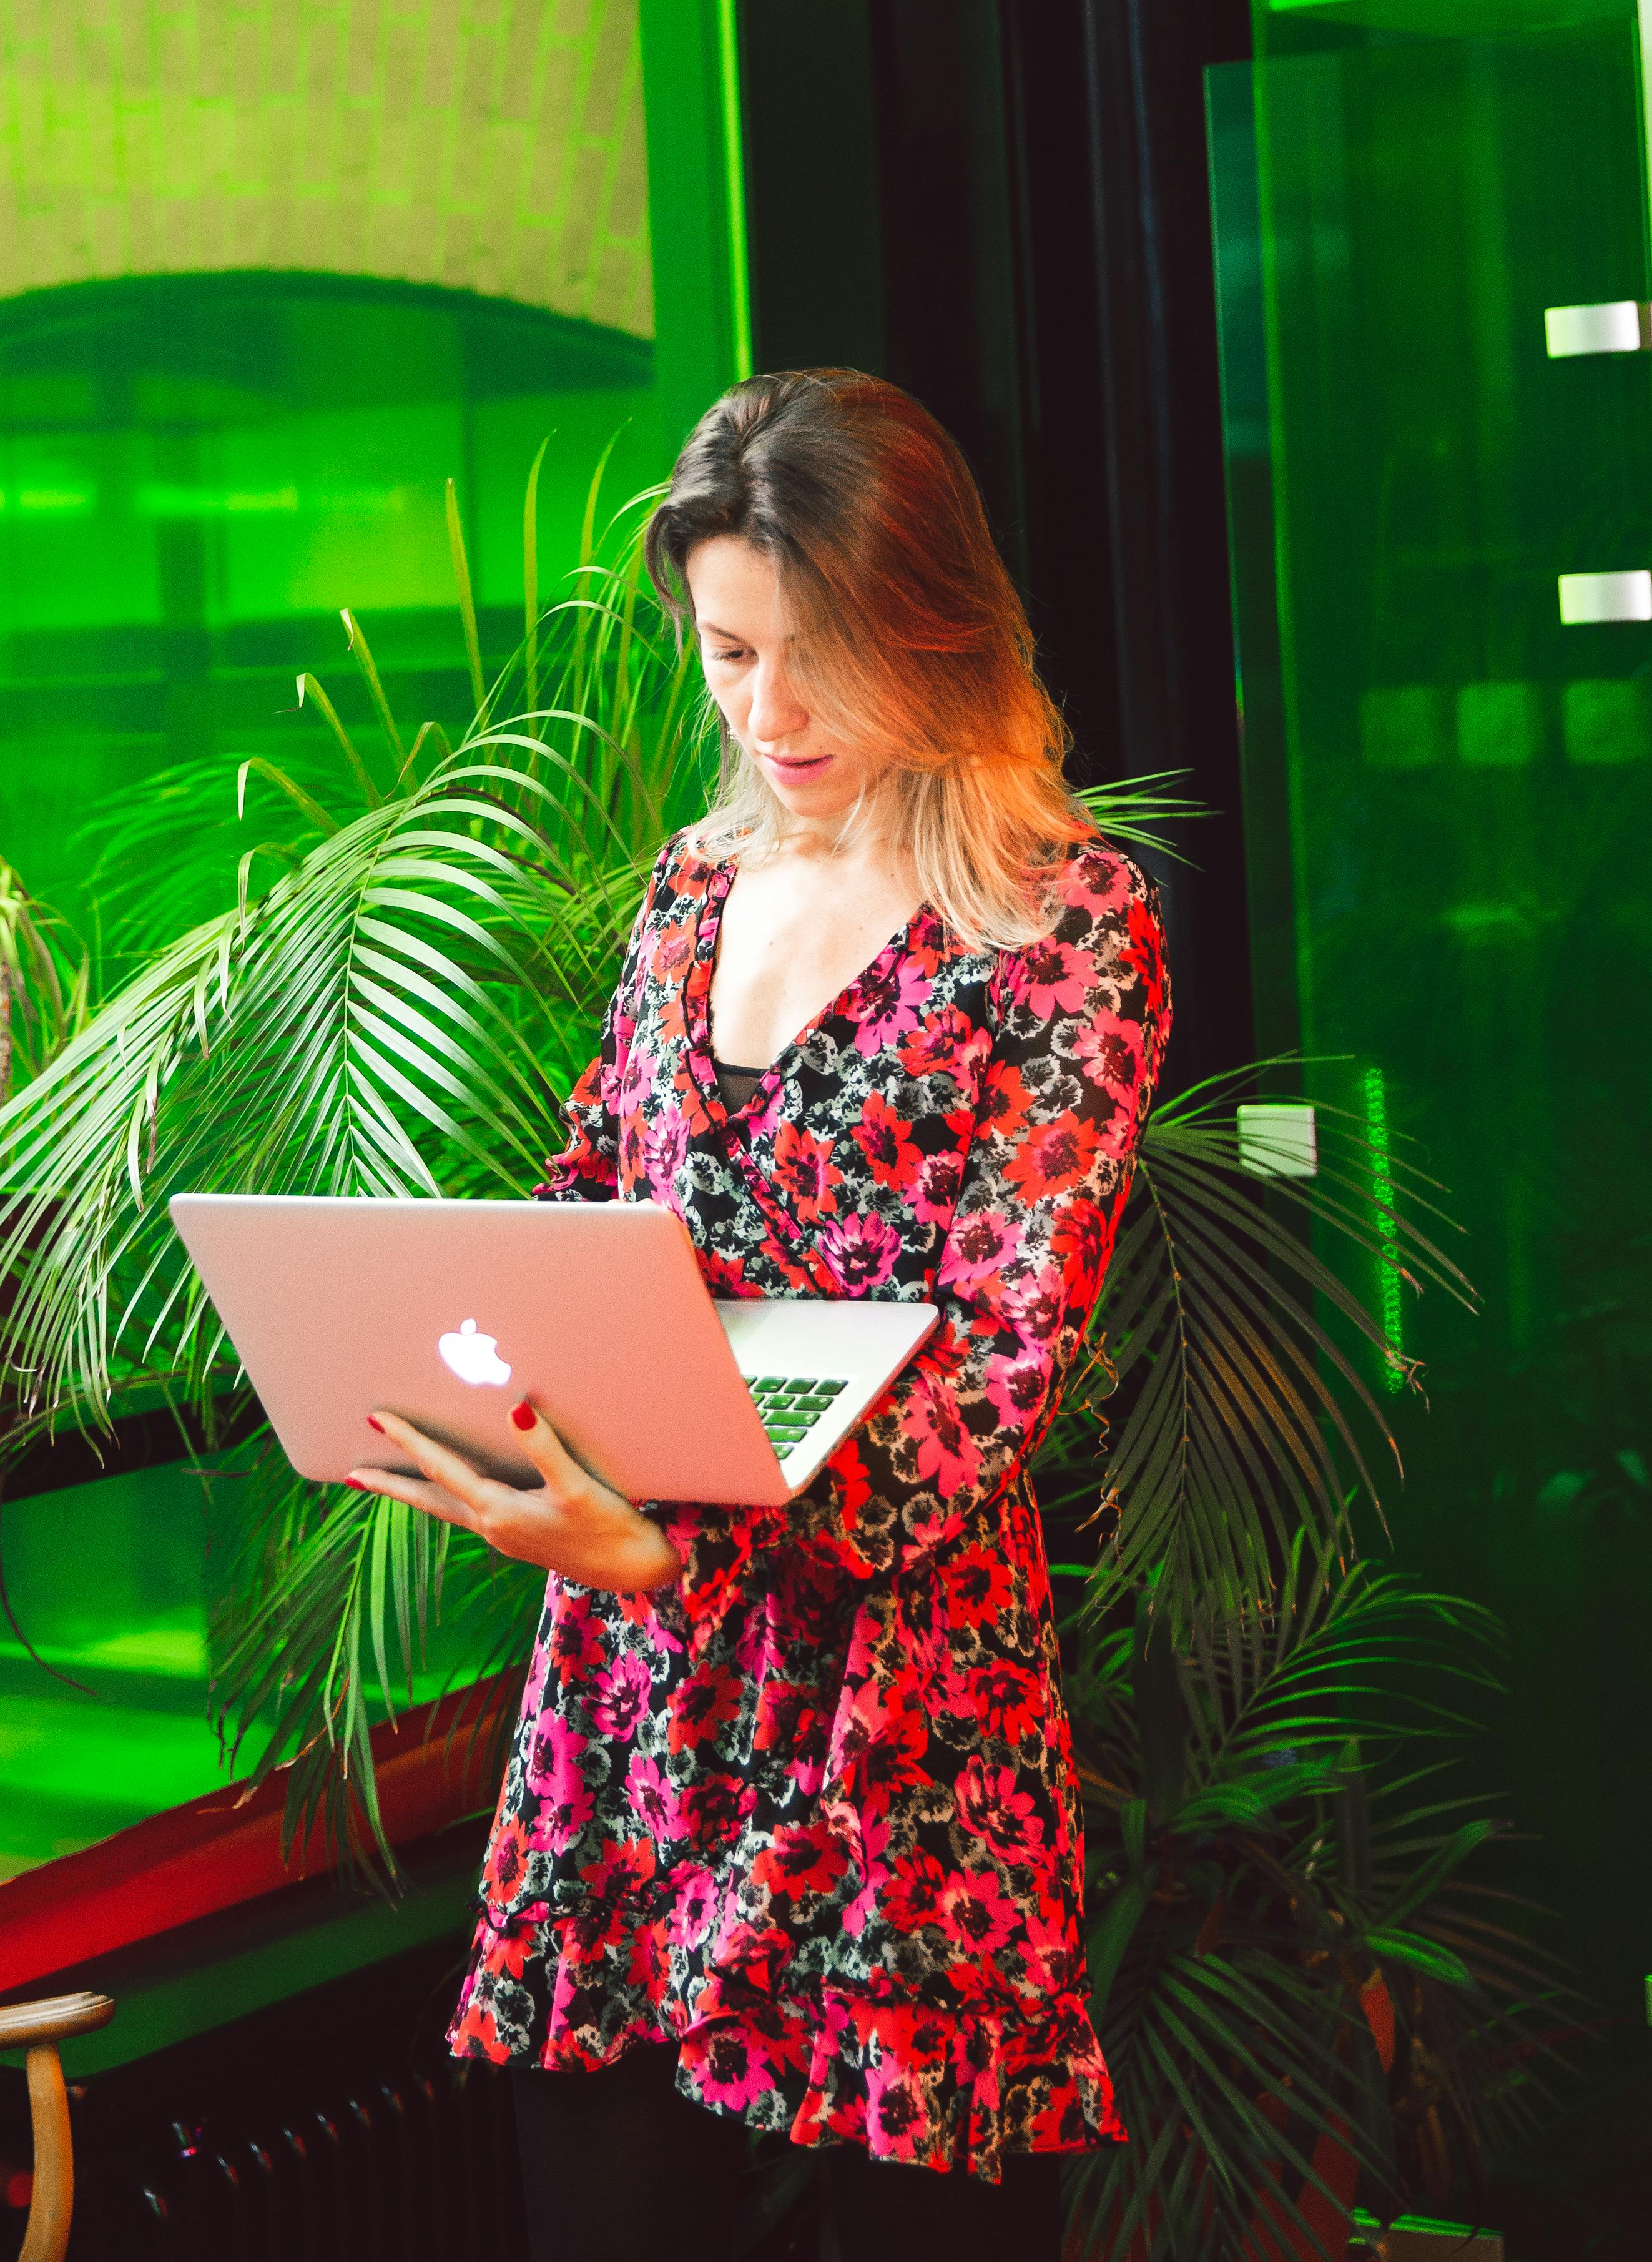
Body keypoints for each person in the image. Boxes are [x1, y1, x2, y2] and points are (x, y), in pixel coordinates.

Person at [349, 371, 1169, 2261]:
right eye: (727, 652)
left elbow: (988, 1382)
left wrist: (660, 1540)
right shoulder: (691, 898)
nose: (767, 711)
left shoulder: (1067, 926)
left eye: (817, 657)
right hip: (627, 1727)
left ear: (937, 628)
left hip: (902, 1737)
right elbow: (582, 1230)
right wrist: (496, 1426)